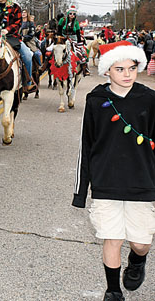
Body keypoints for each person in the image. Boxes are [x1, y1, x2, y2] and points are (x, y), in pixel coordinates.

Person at [72, 40, 155, 300]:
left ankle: (137, 261)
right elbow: (87, 145)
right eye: (120, 69)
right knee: (112, 238)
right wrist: (81, 191)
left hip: (141, 181)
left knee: (141, 243)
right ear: (107, 70)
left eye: (131, 68)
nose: (127, 74)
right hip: (105, 181)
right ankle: (113, 291)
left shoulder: (149, 99)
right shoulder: (96, 100)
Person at [58, 5, 90, 75]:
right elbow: (59, 30)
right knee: (53, 49)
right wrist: (60, 37)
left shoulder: (76, 23)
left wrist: (79, 43)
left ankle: (85, 67)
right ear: (68, 14)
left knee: (83, 51)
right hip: (63, 38)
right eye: (70, 13)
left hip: (74, 39)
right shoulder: (62, 20)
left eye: (74, 14)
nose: (72, 15)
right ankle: (46, 66)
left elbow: (78, 33)